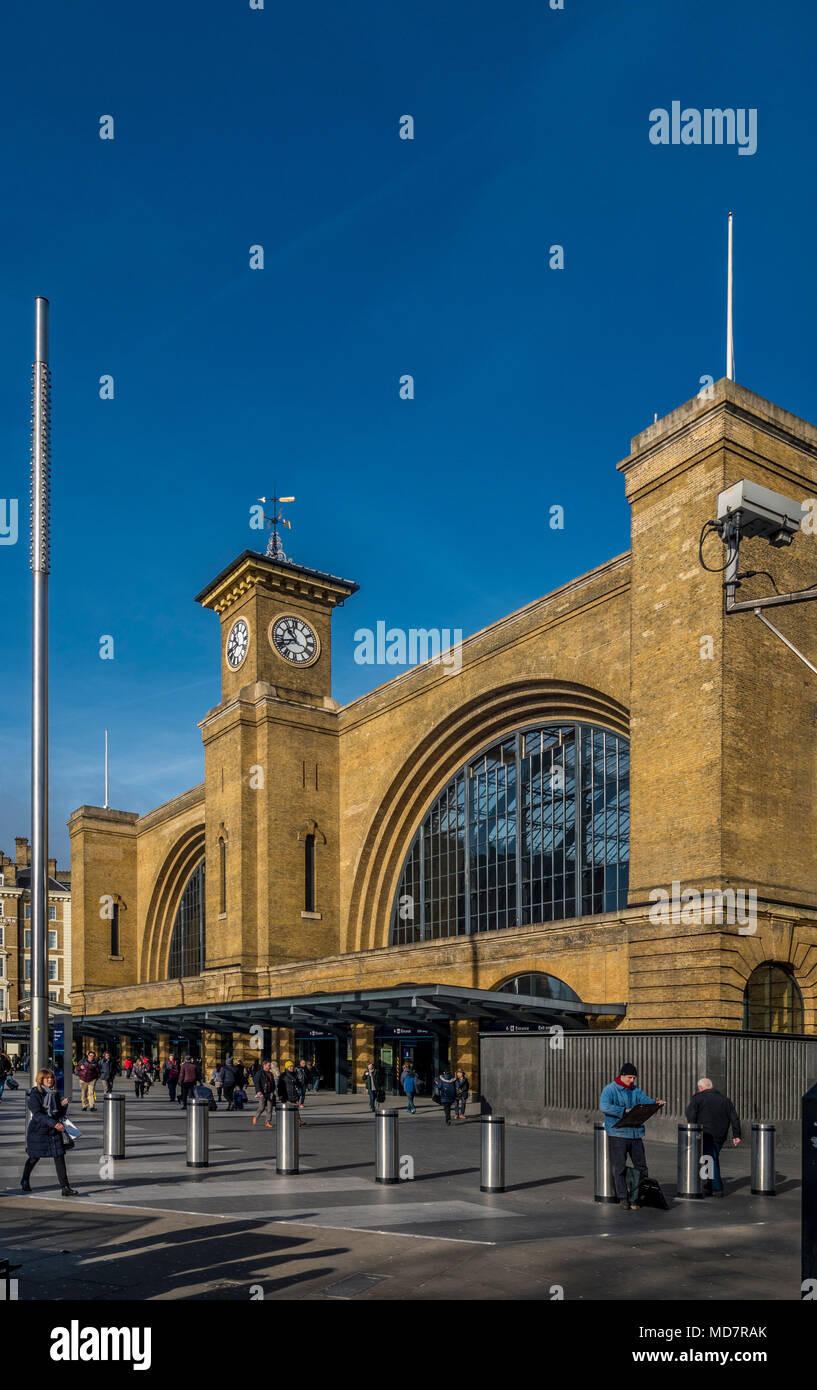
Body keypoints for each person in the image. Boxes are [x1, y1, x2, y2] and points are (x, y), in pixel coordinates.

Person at [600, 1063, 666, 1209]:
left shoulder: (636, 1090)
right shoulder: (610, 1089)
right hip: (618, 1134)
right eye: (630, 1077)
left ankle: (638, 1196)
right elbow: (604, 1106)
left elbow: (645, 1100)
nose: (632, 1080)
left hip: (635, 1134)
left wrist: (656, 1103)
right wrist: (624, 1111)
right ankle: (623, 1197)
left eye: (634, 1078)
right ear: (622, 1075)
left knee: (641, 1166)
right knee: (620, 1166)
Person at [21, 1068, 80, 1197]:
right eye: (46, 1078)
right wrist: (54, 1123)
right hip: (38, 1131)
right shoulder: (35, 1094)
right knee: (34, 1157)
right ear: (40, 1080)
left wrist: (63, 1106)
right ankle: (25, 1179)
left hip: (54, 1131)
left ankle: (65, 1187)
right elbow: (38, 1115)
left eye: (51, 1078)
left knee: (59, 1157)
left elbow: (58, 1114)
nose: (50, 1080)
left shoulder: (55, 1094)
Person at [686, 1077, 742, 1198]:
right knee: (710, 1158)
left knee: (710, 1158)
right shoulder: (725, 1100)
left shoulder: (698, 1098)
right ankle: (709, 1185)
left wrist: (692, 1131)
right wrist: (736, 1135)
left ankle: (717, 1188)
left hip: (705, 1133)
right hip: (720, 1135)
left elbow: (691, 1115)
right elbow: (734, 1117)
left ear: (701, 1088)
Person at [277, 1061, 305, 1126]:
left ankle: (299, 1121)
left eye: (292, 1066)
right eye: (290, 1067)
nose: (291, 1068)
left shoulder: (295, 1074)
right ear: (287, 1067)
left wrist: (299, 1086)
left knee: (296, 1109)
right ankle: (287, 1122)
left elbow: (298, 1083)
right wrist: (280, 1095)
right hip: (286, 1095)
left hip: (294, 1094)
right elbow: (280, 1086)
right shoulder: (283, 1075)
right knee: (288, 1109)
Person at [253, 1061, 276, 1127]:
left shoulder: (270, 1074)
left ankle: (267, 1122)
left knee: (270, 1108)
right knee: (262, 1107)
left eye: (270, 1065)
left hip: (269, 1093)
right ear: (264, 1065)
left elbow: (273, 1083)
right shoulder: (259, 1073)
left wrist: (273, 1091)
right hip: (262, 1093)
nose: (270, 1067)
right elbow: (256, 1082)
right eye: (268, 1065)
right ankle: (256, 1117)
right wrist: (258, 1091)